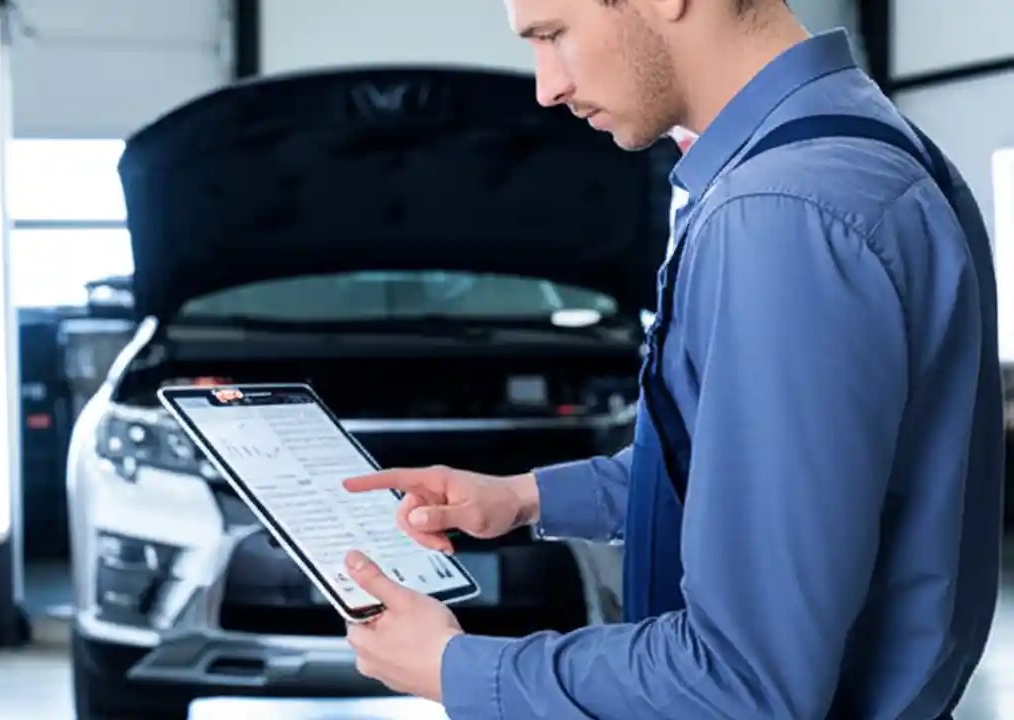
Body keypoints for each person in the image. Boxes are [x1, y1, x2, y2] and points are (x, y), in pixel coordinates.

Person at [339, 0, 1006, 718]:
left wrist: (457, 668)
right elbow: (754, 475)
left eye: (553, 33)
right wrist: (525, 498)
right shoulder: (871, 152)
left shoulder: (781, 214)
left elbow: (741, 683)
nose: (546, 87)